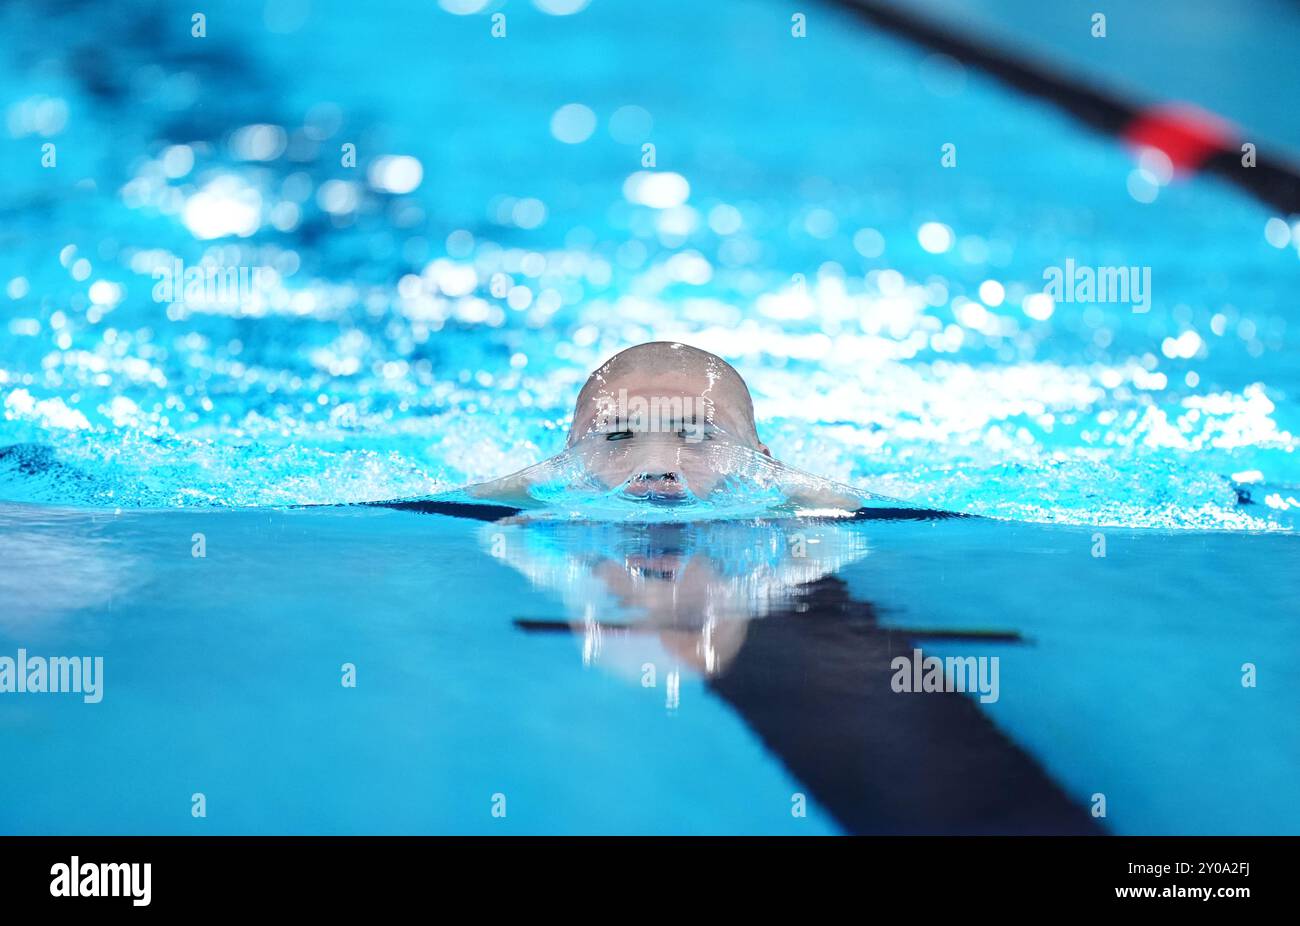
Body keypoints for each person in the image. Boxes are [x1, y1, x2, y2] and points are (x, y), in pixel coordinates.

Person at [461, 341, 867, 512]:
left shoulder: (783, 502)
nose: (655, 465)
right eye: (619, 435)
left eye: (694, 434)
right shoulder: (553, 499)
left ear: (764, 464)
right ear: (568, 459)